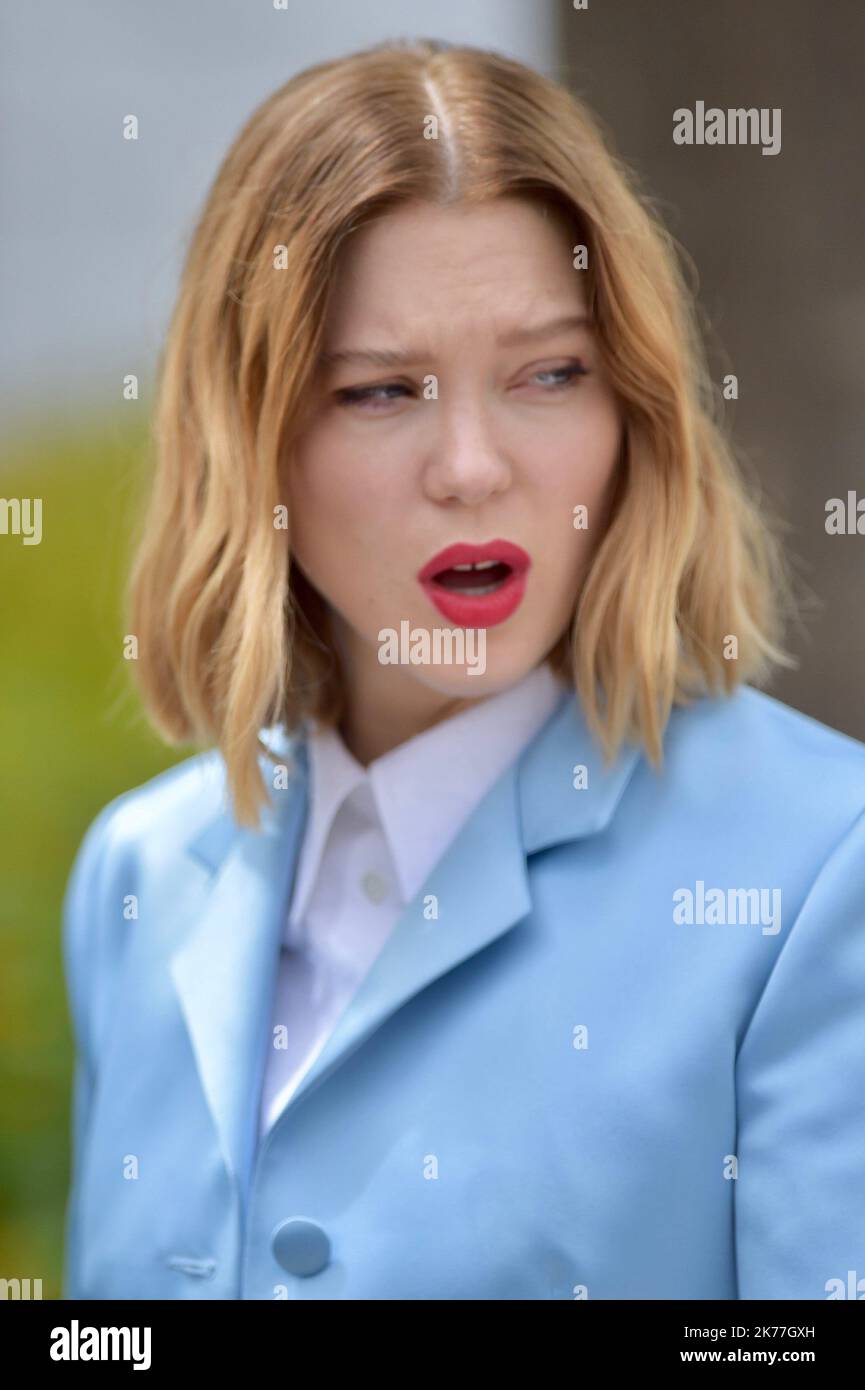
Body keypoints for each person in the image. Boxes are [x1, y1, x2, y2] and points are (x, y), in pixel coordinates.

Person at [62, 38, 865, 1301]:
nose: (475, 466)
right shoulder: (139, 875)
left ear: (635, 409)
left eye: (550, 374)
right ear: (249, 441)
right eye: (383, 392)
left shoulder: (823, 870)